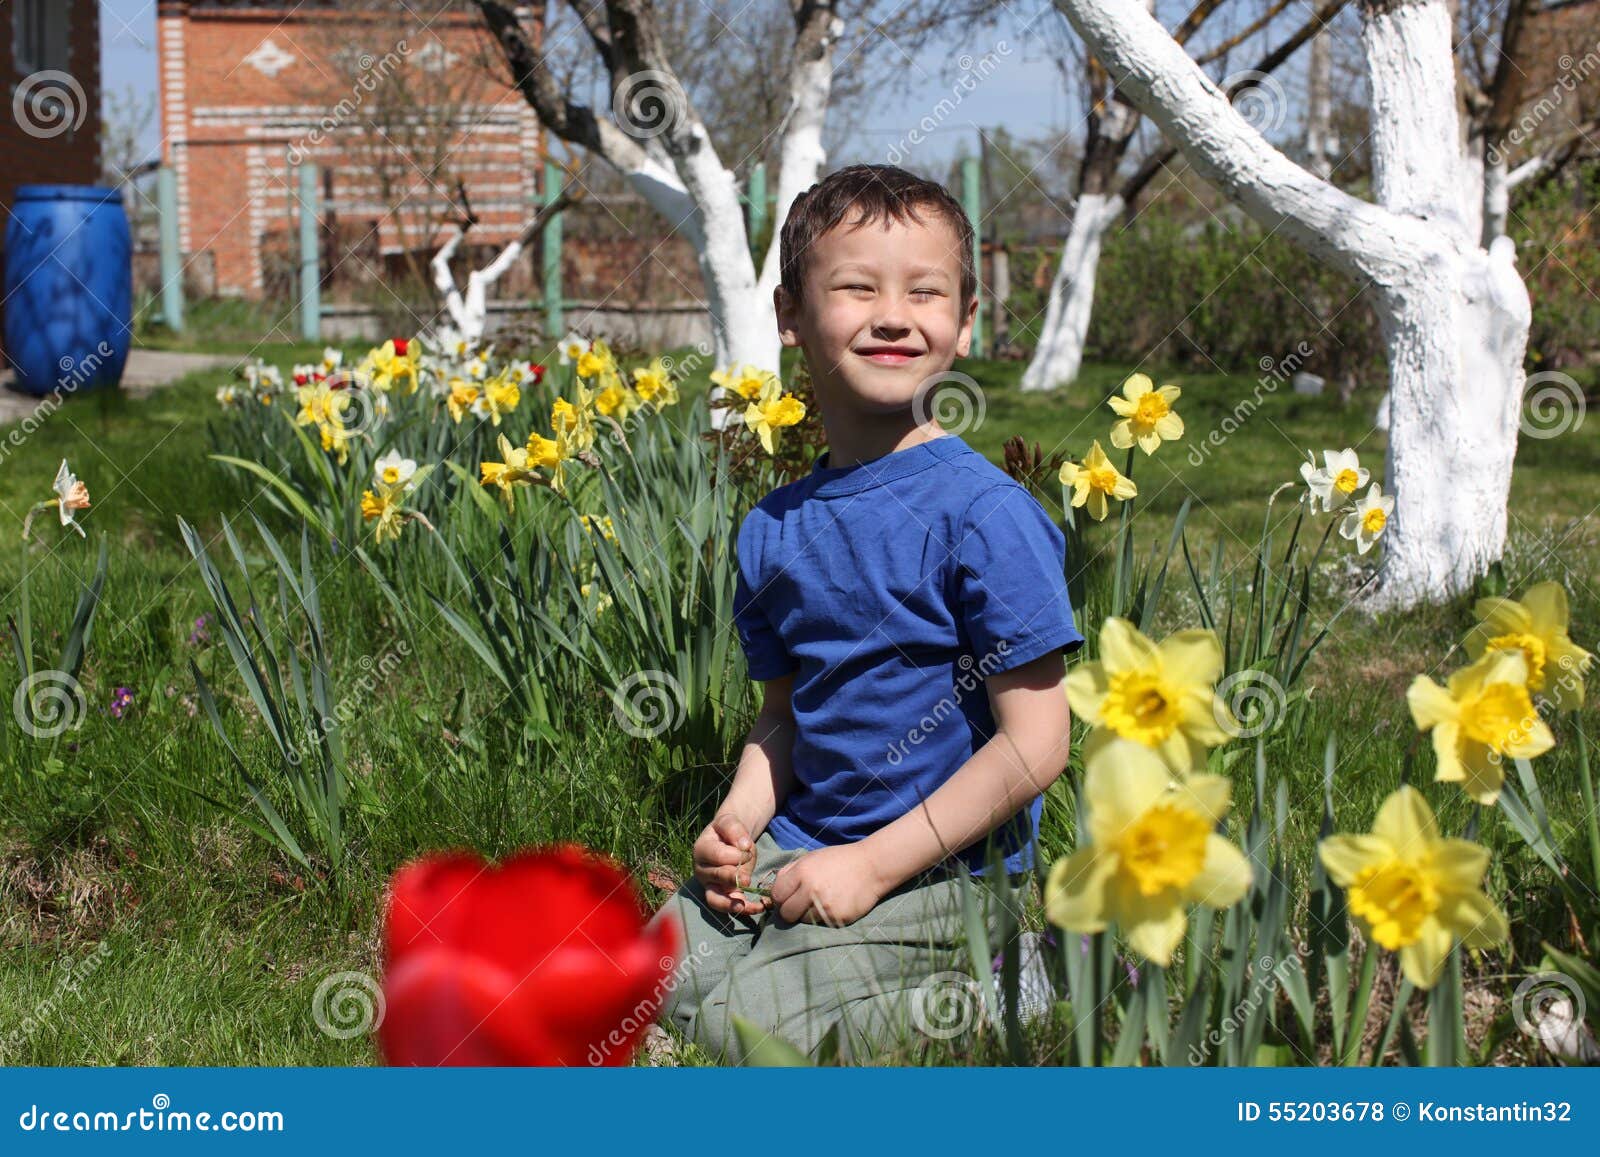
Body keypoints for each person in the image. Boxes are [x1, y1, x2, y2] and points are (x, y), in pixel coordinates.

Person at [649, 164, 1082, 1065]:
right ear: (790, 315)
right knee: (639, 980)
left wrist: (872, 866)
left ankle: (1023, 977)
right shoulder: (770, 530)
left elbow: (1036, 744)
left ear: (964, 323)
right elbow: (783, 716)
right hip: (801, 845)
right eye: (856, 287)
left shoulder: (983, 514)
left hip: (943, 876)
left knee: (753, 1032)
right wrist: (738, 818)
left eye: (925, 292)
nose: (894, 315)